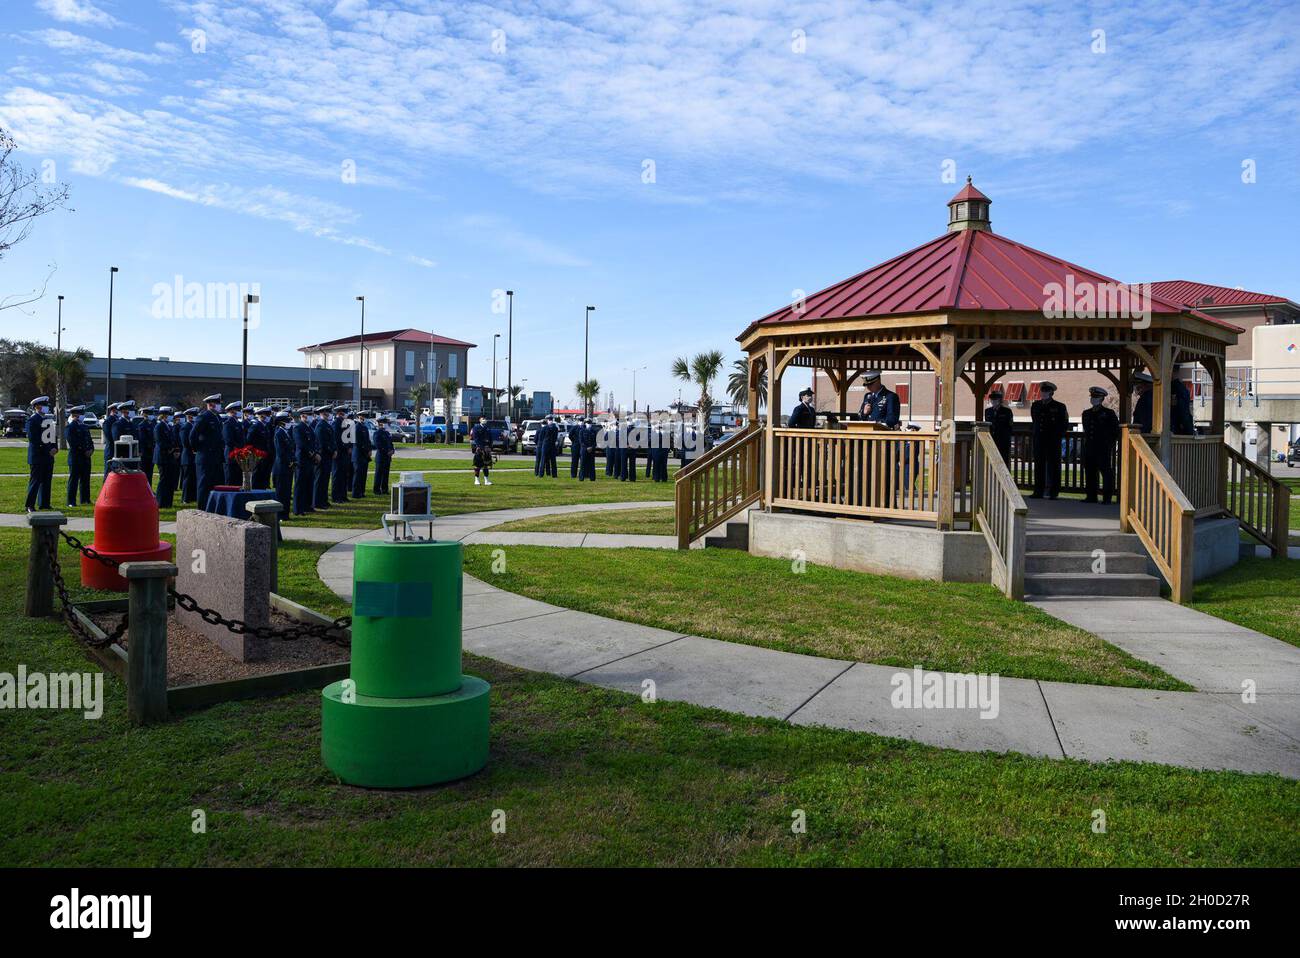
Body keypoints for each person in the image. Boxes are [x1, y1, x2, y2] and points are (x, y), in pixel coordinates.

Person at [1029, 381, 1069, 499]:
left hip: (1052, 441)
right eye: (1042, 391)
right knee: (1039, 466)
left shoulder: (1060, 406)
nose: (1044, 393)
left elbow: (1064, 423)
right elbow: (1035, 422)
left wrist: (1057, 436)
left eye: (1046, 391)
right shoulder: (1035, 405)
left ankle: (1053, 492)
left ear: (1051, 392)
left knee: (1054, 466)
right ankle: (1038, 491)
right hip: (1039, 440)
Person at [1081, 386, 1119, 504]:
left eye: (1096, 397)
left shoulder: (1108, 413)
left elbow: (1115, 431)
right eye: (1092, 397)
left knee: (1106, 473)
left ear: (1102, 399)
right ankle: (1091, 496)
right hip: (1090, 448)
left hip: (1103, 448)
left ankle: (1107, 498)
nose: (1094, 399)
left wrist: (1109, 444)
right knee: (1090, 472)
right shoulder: (1086, 413)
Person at [189, 394, 226, 510]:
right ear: (211, 404)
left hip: (216, 456)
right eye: (218, 403)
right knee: (204, 484)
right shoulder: (204, 417)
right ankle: (202, 508)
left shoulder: (217, 417)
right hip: (205, 456)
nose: (220, 406)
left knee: (216, 484)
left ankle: (213, 507)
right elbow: (193, 435)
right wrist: (197, 449)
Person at [25, 395, 57, 512]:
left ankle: (44, 503)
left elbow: (53, 436)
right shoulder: (32, 421)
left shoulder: (47, 420)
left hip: (48, 456)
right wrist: (48, 449)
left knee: (47, 481)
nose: (46, 408)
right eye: (44, 406)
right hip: (38, 456)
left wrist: (54, 448)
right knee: (35, 481)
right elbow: (34, 439)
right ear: (37, 407)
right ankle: (29, 505)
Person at [65, 405, 94, 507]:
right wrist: (84, 450)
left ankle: (85, 499)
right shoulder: (70, 427)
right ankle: (71, 501)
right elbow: (73, 442)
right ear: (75, 414)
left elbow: (89, 440)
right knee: (74, 480)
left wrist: (91, 450)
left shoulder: (84, 426)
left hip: (86, 457)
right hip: (76, 457)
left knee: (85, 479)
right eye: (80, 414)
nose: (82, 416)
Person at [152, 407, 181, 508]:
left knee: (170, 479)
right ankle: (160, 502)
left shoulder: (168, 426)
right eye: (169, 415)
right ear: (164, 416)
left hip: (169, 456)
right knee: (164, 479)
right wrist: (171, 448)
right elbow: (160, 442)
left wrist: (175, 449)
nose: (171, 417)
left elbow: (173, 439)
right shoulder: (159, 427)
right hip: (162, 456)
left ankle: (168, 502)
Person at [292, 407, 319, 515]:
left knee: (309, 484)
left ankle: (307, 506)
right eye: (309, 414)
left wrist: (316, 453)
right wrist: (313, 454)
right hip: (302, 460)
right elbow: (301, 444)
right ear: (303, 416)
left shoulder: (310, 428)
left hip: (310, 460)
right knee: (300, 485)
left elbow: (314, 443)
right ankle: (298, 509)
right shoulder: (298, 428)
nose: (312, 417)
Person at [311, 405, 335, 509]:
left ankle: (324, 500)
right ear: (321, 414)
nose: (328, 415)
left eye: (329, 413)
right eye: (326, 413)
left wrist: (334, 450)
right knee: (320, 480)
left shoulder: (327, 425)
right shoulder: (320, 426)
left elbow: (332, 440)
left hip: (328, 456)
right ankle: (317, 501)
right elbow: (322, 443)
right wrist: (331, 451)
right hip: (323, 456)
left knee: (325, 480)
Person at [272, 411, 295, 515]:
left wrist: (293, 460)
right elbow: (281, 452)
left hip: (288, 466)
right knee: (281, 492)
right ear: (281, 422)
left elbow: (290, 449)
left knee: (287, 491)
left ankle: (285, 513)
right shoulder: (279, 433)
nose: (289, 423)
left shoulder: (285, 433)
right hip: (282, 466)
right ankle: (280, 514)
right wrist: (289, 461)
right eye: (287, 421)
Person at [246, 407, 275, 490]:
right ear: (261, 416)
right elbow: (249, 441)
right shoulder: (255, 427)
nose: (269, 417)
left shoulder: (266, 427)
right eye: (267, 415)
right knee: (257, 477)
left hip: (266, 456)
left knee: (265, 477)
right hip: (257, 457)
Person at [983, 388, 1014, 464]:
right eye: (992, 399)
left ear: (1000, 400)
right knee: (991, 461)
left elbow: (1010, 426)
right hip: (991, 440)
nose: (993, 401)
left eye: (995, 399)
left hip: (1003, 441)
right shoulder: (988, 411)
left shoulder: (1007, 411)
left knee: (1003, 461)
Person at [221, 401, 245, 486]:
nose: (240, 411)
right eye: (238, 410)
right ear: (232, 411)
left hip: (239, 454)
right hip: (231, 454)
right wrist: (238, 448)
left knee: (238, 479)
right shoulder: (228, 423)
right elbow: (228, 440)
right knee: (231, 479)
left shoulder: (238, 423)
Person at [351, 411, 373, 497]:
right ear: (359, 417)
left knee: (363, 475)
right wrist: (366, 450)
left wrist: (370, 449)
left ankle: (361, 491)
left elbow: (368, 441)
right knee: (358, 475)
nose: (364, 418)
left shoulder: (365, 428)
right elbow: (357, 442)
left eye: (365, 417)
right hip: (358, 455)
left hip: (364, 455)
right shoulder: (356, 427)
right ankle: (356, 493)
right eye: (362, 417)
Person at [178, 407, 198, 503]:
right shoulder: (185, 427)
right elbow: (185, 442)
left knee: (192, 478)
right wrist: (194, 448)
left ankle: (192, 497)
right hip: (188, 456)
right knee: (187, 478)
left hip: (193, 456)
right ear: (189, 417)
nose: (194, 418)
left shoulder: (193, 426)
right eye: (193, 416)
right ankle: (185, 498)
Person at [331, 406, 350, 502]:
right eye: (345, 412)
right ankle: (336, 496)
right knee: (337, 475)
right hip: (339, 453)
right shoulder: (336, 423)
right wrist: (345, 447)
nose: (346, 414)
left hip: (345, 453)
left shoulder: (345, 423)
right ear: (340, 413)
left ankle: (343, 495)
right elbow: (337, 439)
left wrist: (349, 446)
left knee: (344, 475)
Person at [373, 416, 395, 494]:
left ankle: (384, 489)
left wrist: (392, 450)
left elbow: (390, 443)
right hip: (381, 456)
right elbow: (378, 445)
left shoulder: (387, 433)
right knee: (379, 474)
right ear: (380, 423)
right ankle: (377, 489)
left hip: (387, 457)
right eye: (385, 423)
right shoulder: (377, 433)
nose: (386, 424)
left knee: (386, 474)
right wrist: (386, 452)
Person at [137, 407, 157, 488]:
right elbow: (142, 440)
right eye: (149, 414)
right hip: (145, 452)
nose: (151, 415)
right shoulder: (142, 425)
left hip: (151, 452)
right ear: (145, 415)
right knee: (144, 472)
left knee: (150, 472)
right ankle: (143, 489)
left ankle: (149, 488)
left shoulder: (152, 425)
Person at [470, 416, 493, 486]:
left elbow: (490, 438)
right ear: (479, 420)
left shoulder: (487, 428)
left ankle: (486, 480)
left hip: (487, 449)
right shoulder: (476, 428)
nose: (484, 420)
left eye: (485, 419)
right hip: (479, 449)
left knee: (486, 465)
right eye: (483, 419)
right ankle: (476, 480)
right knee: (478, 465)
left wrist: (489, 447)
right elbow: (476, 439)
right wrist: (481, 447)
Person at [101, 403, 119, 476]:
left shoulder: (118, 420)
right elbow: (109, 437)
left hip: (118, 451)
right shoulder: (108, 422)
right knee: (108, 473)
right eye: (117, 409)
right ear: (113, 410)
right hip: (111, 450)